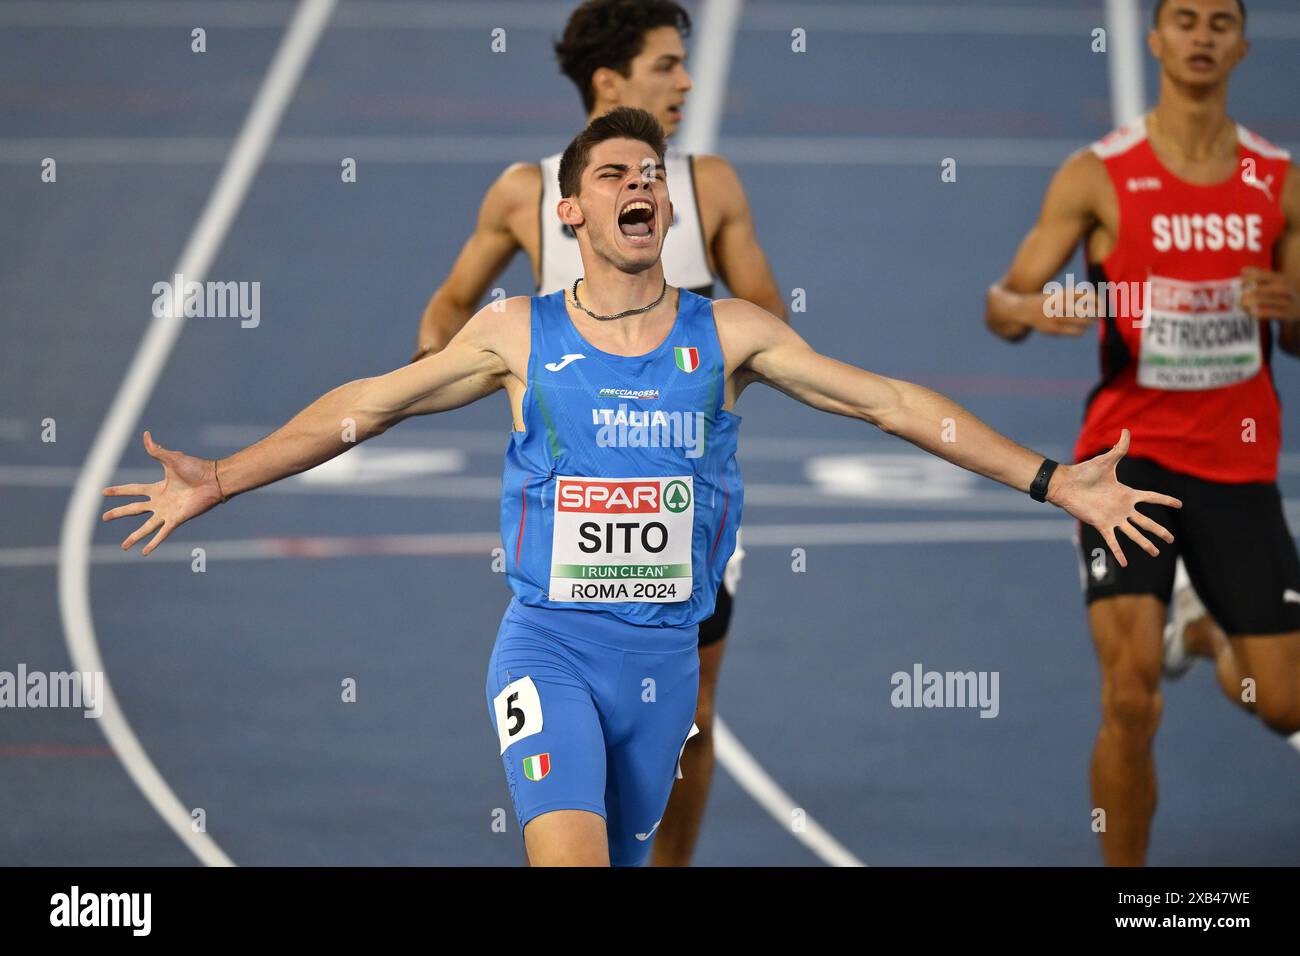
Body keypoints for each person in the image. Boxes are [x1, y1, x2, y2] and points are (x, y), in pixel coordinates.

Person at [106, 107, 1178, 867]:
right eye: (614, 175)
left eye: (651, 175)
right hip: (548, 645)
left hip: (664, 662)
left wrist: (1053, 481)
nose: (640, 185)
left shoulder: (733, 336)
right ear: (569, 214)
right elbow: (368, 405)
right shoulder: (517, 334)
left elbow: (893, 403)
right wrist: (223, 477)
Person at [411, 0, 785, 866]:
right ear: (609, 82)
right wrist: (465, 373)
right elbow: (446, 307)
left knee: (690, 717)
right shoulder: (526, 192)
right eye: (666, 65)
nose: (686, 81)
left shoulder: (711, 187)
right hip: (575, 506)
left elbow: (770, 326)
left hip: (685, 514)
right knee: (571, 690)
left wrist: (688, 379)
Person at [984, 0, 1300, 866]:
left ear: (1242, 42)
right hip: (1126, 461)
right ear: (1155, 40)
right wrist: (1034, 308)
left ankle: (1195, 631)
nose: (1202, 37)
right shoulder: (1098, 174)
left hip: (1238, 462)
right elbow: (1000, 302)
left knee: (1284, 702)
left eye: (1220, 22)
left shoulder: (1281, 182)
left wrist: (1294, 308)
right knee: (1129, 701)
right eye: (1185, 20)